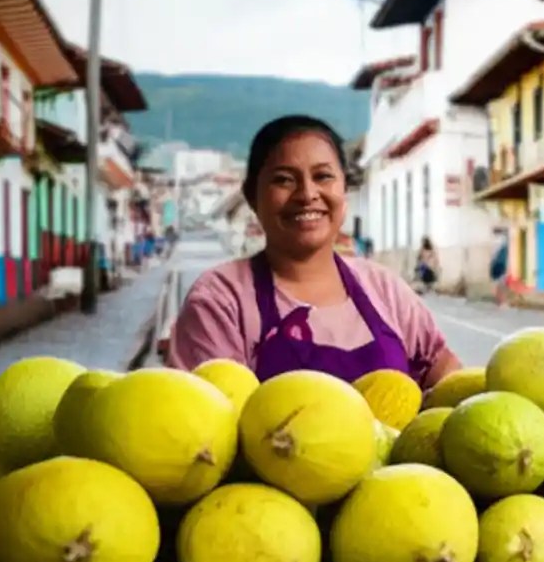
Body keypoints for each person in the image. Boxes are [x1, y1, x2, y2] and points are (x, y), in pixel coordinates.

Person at [167, 115, 462, 387]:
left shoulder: (383, 288)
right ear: (251, 196)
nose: (307, 194)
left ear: (344, 191)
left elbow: (443, 370)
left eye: (323, 176)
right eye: (284, 179)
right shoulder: (220, 300)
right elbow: (208, 422)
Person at [489, 228, 510, 307]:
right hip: (500, 265)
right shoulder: (503, 242)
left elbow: (493, 255)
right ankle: (501, 301)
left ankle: (498, 301)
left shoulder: (494, 241)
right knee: (502, 284)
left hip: (495, 265)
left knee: (497, 284)